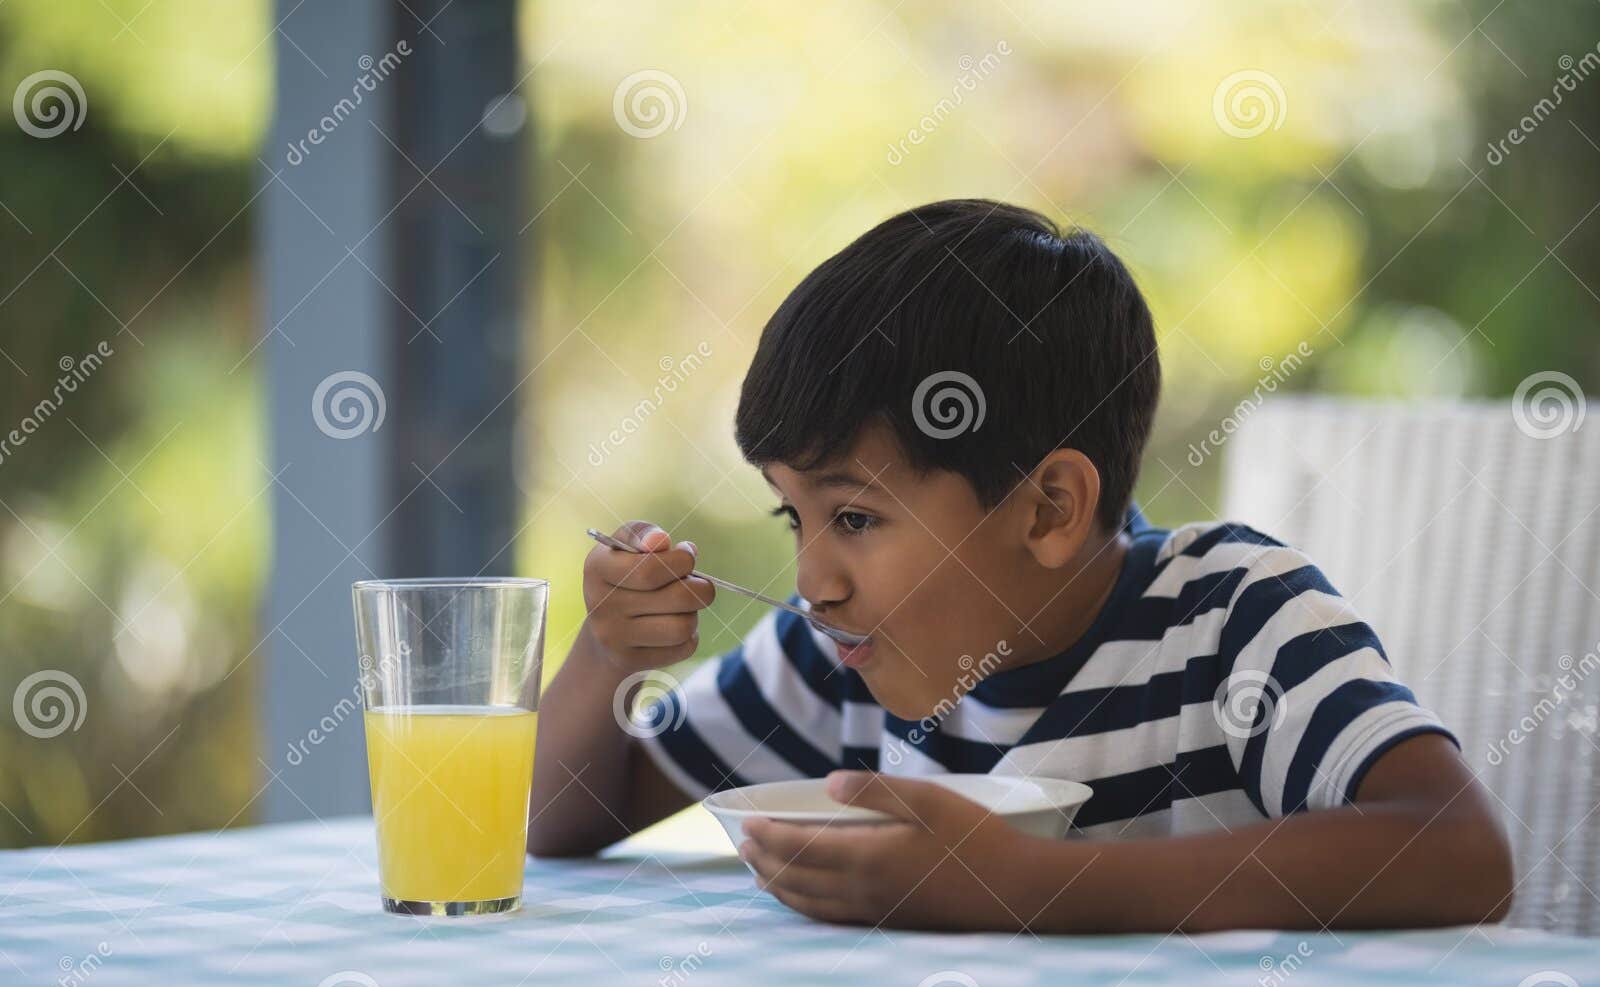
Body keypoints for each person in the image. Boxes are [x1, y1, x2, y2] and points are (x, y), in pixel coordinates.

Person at [527, 198, 1513, 933]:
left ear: (1047, 509)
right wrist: (607, 657)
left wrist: (1026, 886)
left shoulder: (1228, 621)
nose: (813, 578)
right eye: (796, 516)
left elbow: (1459, 850)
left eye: (856, 515)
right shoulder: (835, 657)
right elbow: (560, 819)